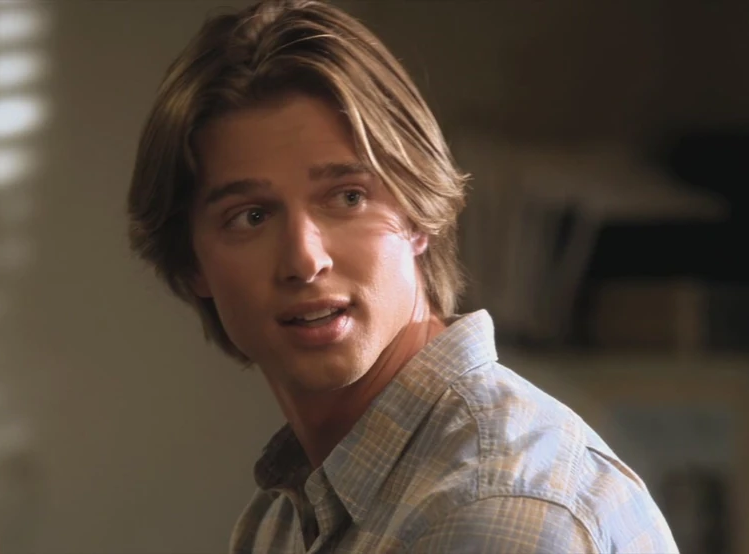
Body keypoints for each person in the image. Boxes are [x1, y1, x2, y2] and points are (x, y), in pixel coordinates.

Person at [126, 1, 679, 552]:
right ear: (191, 262)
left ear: (416, 213)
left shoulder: (488, 509)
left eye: (347, 197)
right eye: (251, 217)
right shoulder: (283, 516)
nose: (304, 260)